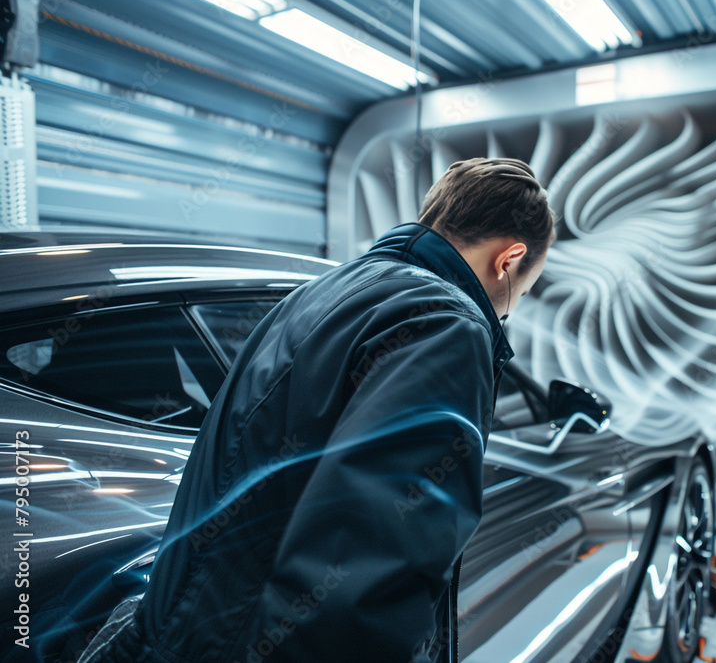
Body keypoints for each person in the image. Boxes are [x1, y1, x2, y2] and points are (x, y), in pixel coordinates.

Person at [78, 157, 556, 663]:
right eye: (517, 296)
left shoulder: (316, 294)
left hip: (184, 634)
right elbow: (371, 562)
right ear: (509, 259)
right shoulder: (447, 325)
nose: (504, 311)